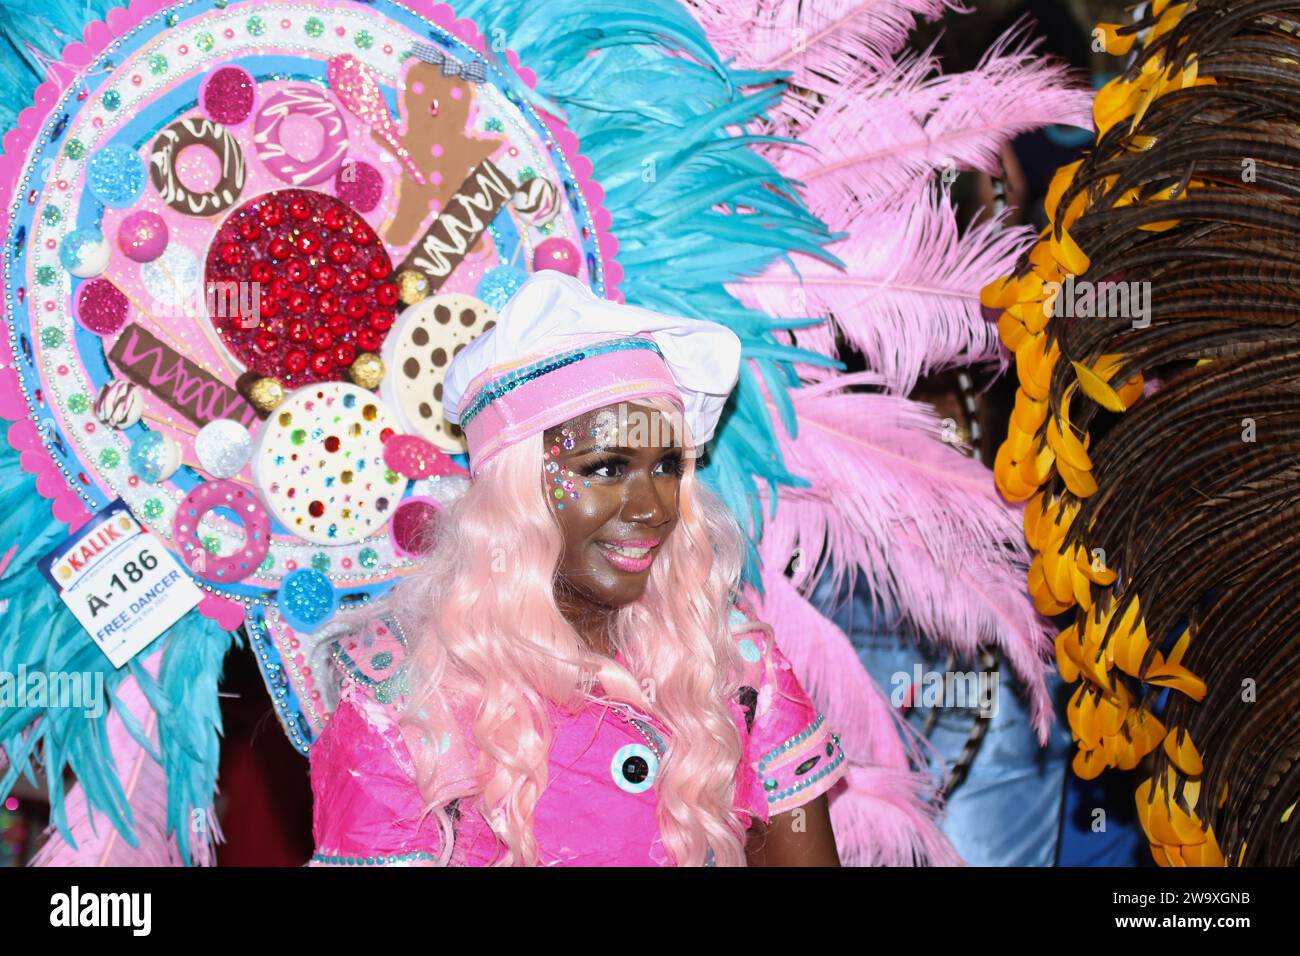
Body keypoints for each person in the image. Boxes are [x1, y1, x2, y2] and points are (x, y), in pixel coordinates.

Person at [308, 270, 847, 866]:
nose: (653, 507)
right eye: (607, 469)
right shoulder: (403, 704)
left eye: (668, 467)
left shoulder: (730, 655)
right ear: (515, 492)